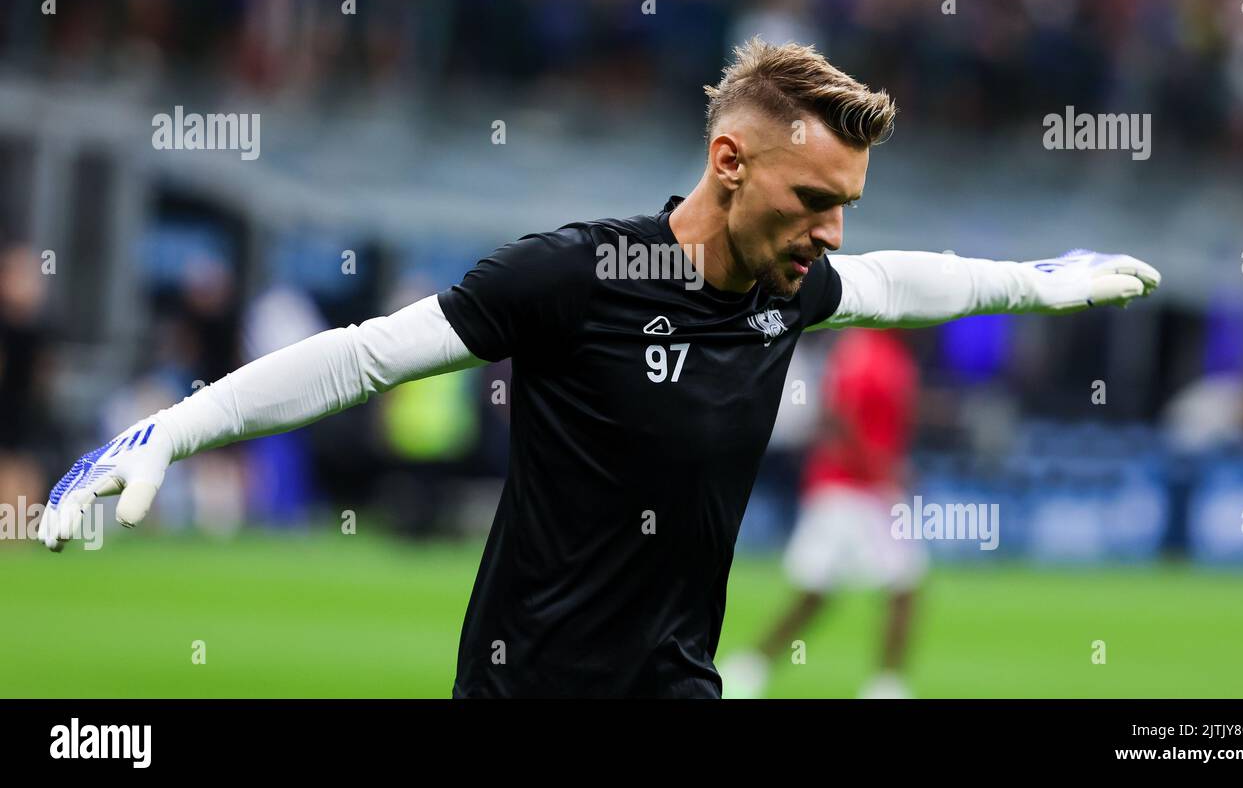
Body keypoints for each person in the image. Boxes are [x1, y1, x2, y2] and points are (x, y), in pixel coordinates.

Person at [38, 38, 1161, 698]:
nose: (830, 234)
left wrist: (1036, 276)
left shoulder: (792, 290)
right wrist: (173, 428)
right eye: (812, 199)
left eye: (845, 209)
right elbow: (365, 358)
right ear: (728, 162)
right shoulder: (574, 275)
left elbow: (913, 282)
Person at [721, 328, 926, 699]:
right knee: (896, 587)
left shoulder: (886, 353)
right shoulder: (864, 352)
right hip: (850, 489)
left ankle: (750, 668)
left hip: (855, 490)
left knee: (830, 592)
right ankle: (886, 687)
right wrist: (878, 467)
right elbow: (836, 415)